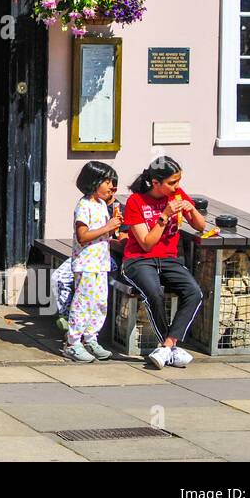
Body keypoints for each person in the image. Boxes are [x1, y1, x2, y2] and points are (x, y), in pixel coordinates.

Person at [119, 156, 207, 369]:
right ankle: (170, 347)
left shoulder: (177, 195)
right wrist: (164, 216)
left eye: (178, 181)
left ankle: (167, 345)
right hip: (138, 260)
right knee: (154, 293)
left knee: (194, 291)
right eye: (172, 182)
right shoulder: (136, 202)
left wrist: (191, 209)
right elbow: (147, 244)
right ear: (156, 183)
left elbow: (201, 226)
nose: (177, 186)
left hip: (169, 259)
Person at [63, 161, 124, 363]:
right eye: (107, 182)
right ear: (93, 182)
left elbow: (104, 233)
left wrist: (113, 226)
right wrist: (108, 227)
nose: (111, 186)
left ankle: (90, 337)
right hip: (86, 264)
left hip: (100, 263)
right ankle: (73, 342)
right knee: (83, 303)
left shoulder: (100, 205)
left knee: (99, 302)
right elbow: (83, 236)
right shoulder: (84, 205)